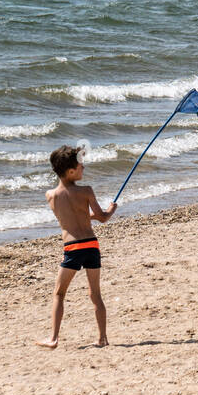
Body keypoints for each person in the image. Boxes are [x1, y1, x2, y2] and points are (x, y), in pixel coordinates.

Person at [35, 145, 115, 349]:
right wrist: (110, 210)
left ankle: (53, 338)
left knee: (59, 294)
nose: (83, 168)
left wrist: (92, 215)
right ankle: (102, 338)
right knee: (95, 294)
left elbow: (67, 219)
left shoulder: (51, 196)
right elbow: (103, 218)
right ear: (71, 171)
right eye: (81, 166)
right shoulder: (86, 191)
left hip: (72, 248)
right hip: (91, 245)